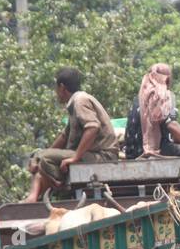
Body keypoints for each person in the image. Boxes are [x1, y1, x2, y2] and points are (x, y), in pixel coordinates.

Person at [23, 68, 119, 203]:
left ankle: (58, 183)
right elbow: (64, 136)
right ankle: (34, 196)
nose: (56, 93)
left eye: (56, 89)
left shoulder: (80, 100)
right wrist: (42, 155)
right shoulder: (75, 103)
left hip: (102, 155)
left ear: (62, 88)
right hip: (91, 154)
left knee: (44, 158)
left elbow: (92, 127)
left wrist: (75, 157)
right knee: (39, 155)